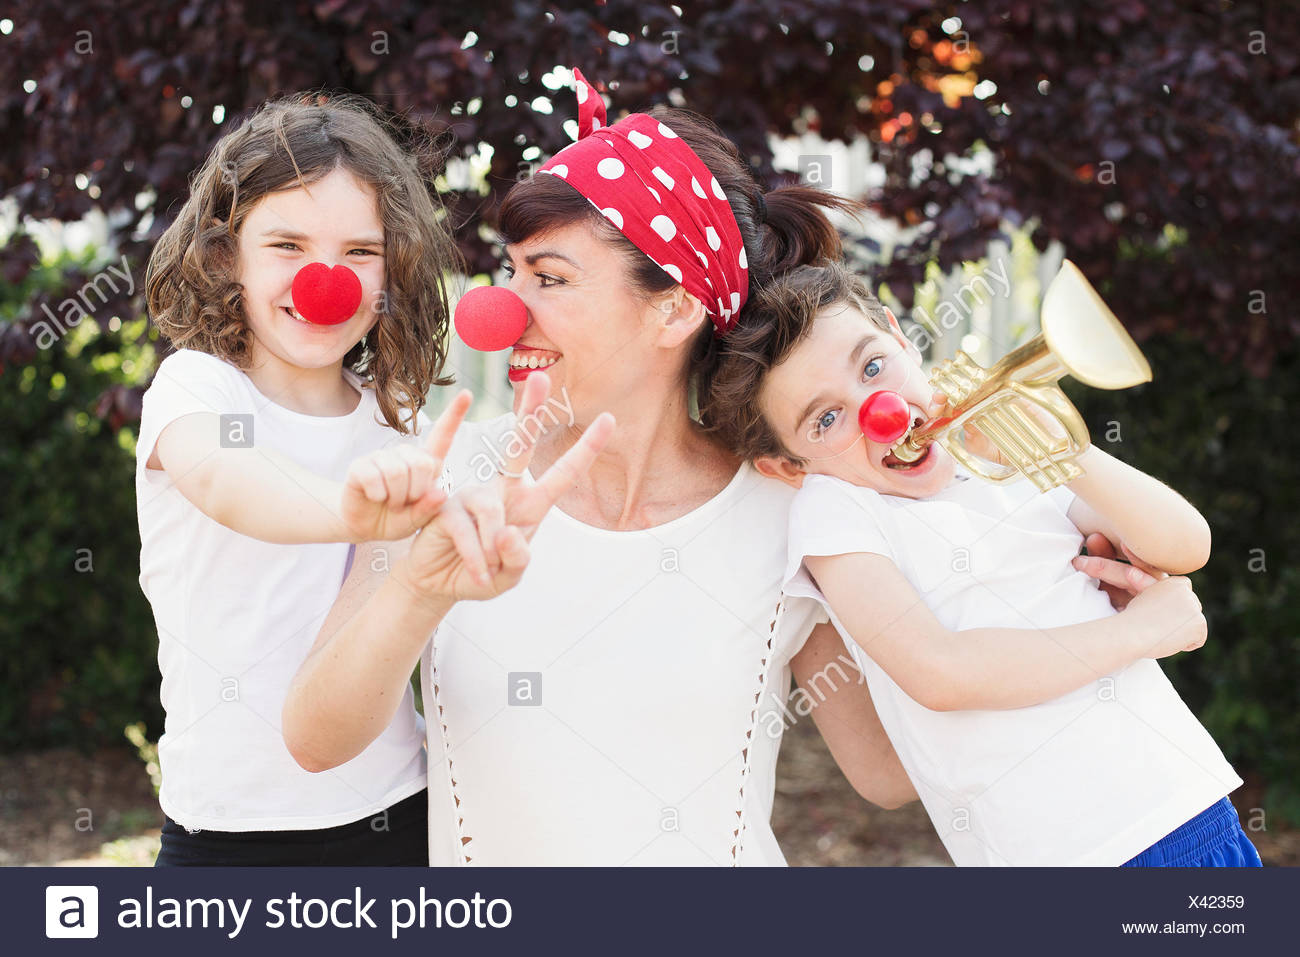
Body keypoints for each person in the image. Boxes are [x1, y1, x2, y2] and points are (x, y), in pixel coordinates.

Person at [283, 71, 1191, 865]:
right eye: (508, 273)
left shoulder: (793, 502)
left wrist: (1050, 601)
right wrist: (425, 587)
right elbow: (317, 739)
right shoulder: (447, 473)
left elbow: (883, 770)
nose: (494, 313)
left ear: (674, 310)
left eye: (548, 279)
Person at [698, 259, 1259, 866]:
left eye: (874, 365)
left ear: (901, 335)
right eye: (827, 419)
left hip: (1179, 812)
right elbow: (940, 672)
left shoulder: (994, 460)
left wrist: (1070, 454)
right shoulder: (838, 510)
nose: (877, 410)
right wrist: (1142, 631)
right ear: (788, 468)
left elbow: (1185, 544)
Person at [138, 93, 469, 865]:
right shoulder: (196, 389)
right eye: (287, 244)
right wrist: (349, 509)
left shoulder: (397, 426)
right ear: (227, 256)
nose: (327, 280)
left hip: (395, 819)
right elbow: (230, 482)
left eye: (360, 251)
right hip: (221, 840)